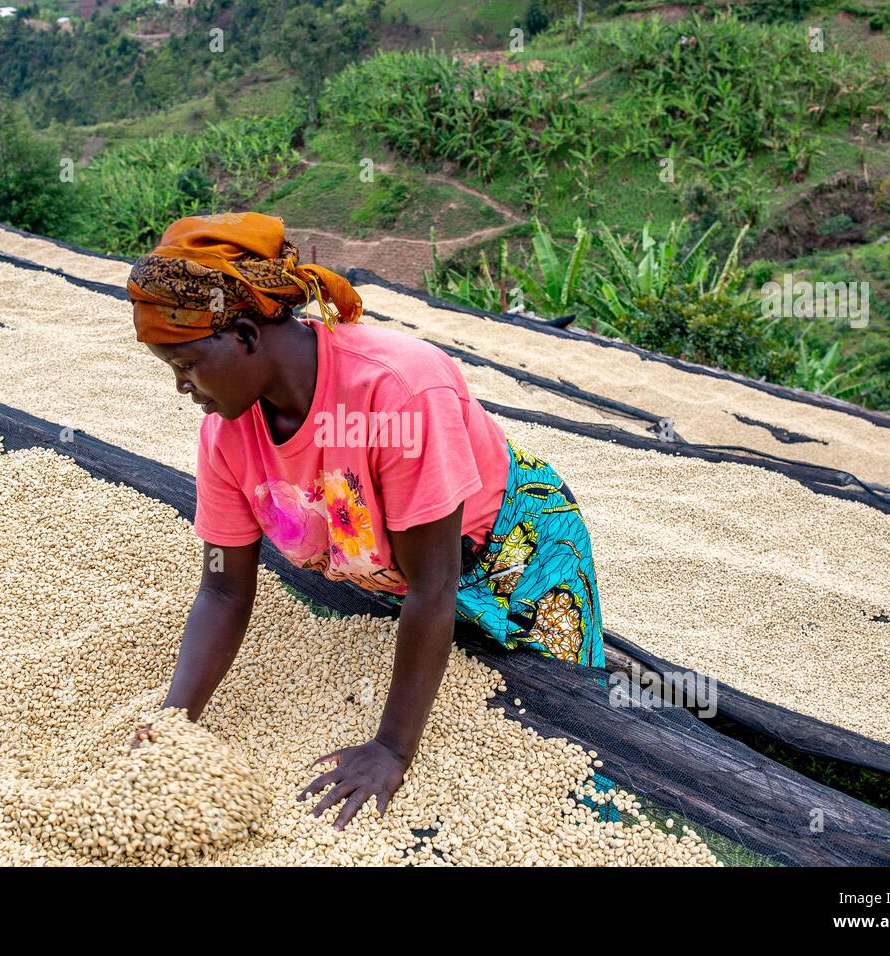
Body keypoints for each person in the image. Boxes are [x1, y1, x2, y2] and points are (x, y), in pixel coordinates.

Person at [129, 211, 606, 830]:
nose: (181, 387)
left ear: (244, 334)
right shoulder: (226, 435)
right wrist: (173, 723)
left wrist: (391, 751)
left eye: (187, 365)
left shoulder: (398, 392)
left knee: (571, 717)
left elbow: (435, 583)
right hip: (402, 579)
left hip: (516, 556)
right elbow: (223, 588)